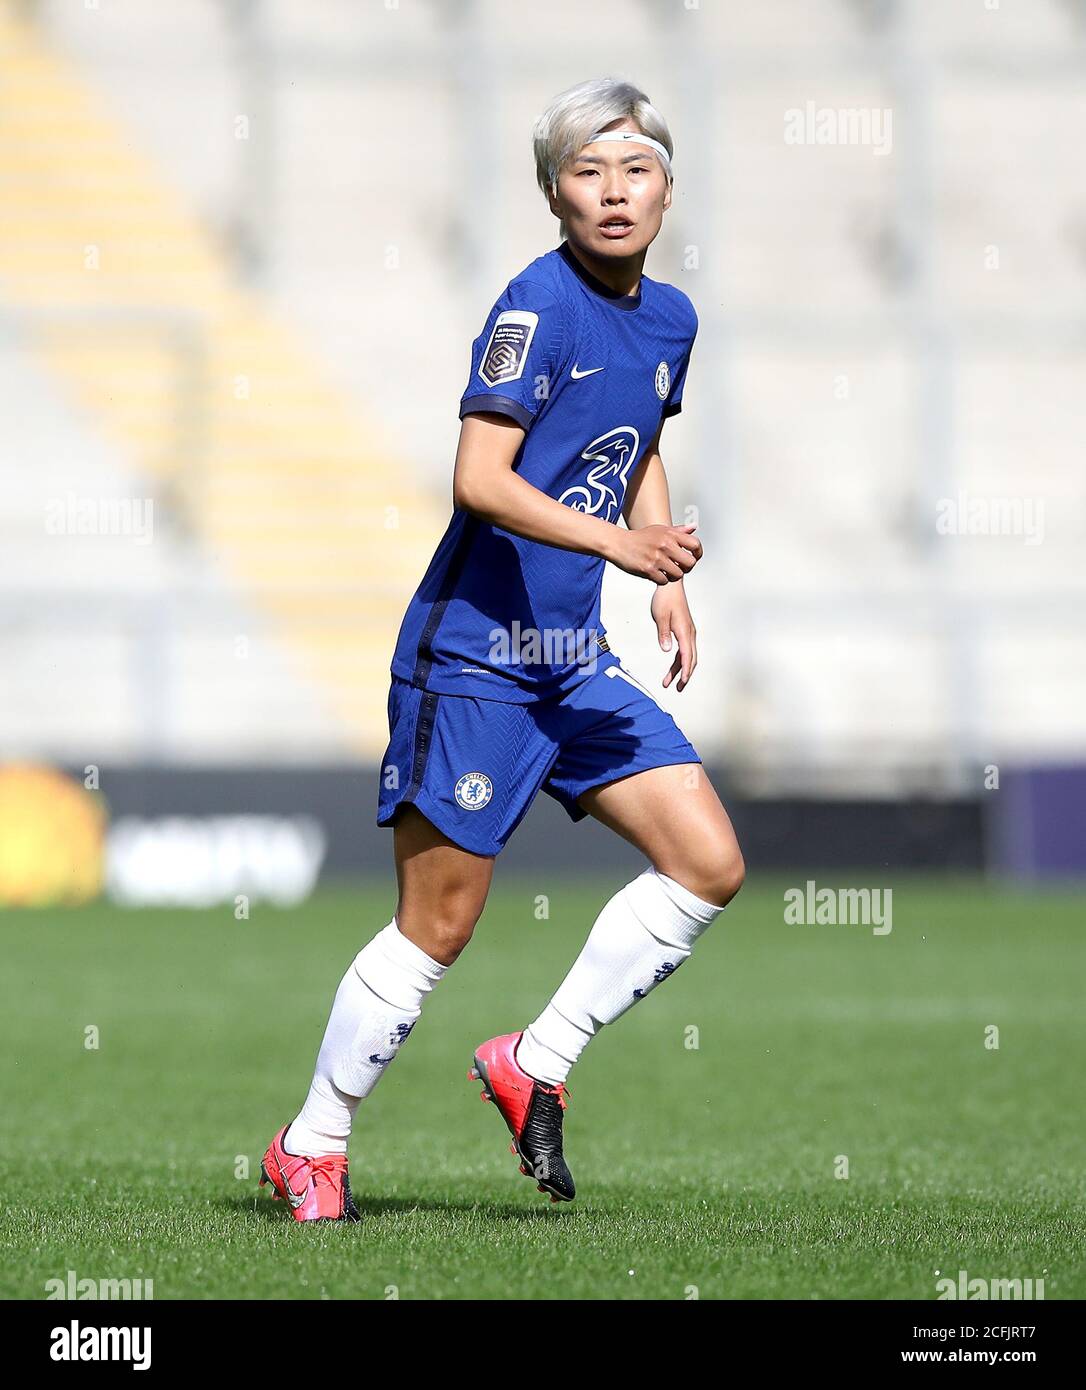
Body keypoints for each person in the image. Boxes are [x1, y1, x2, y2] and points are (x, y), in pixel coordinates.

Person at [260, 77, 745, 1221]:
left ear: (669, 188)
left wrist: (660, 572)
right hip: (473, 656)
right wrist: (622, 546)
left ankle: (536, 1058)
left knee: (708, 862)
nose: (614, 192)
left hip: (571, 655)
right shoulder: (534, 307)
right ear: (552, 193)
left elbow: (633, 439)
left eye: (635, 170)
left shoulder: (671, 317)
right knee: (441, 924)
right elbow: (481, 479)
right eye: (588, 172)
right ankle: (312, 1143)